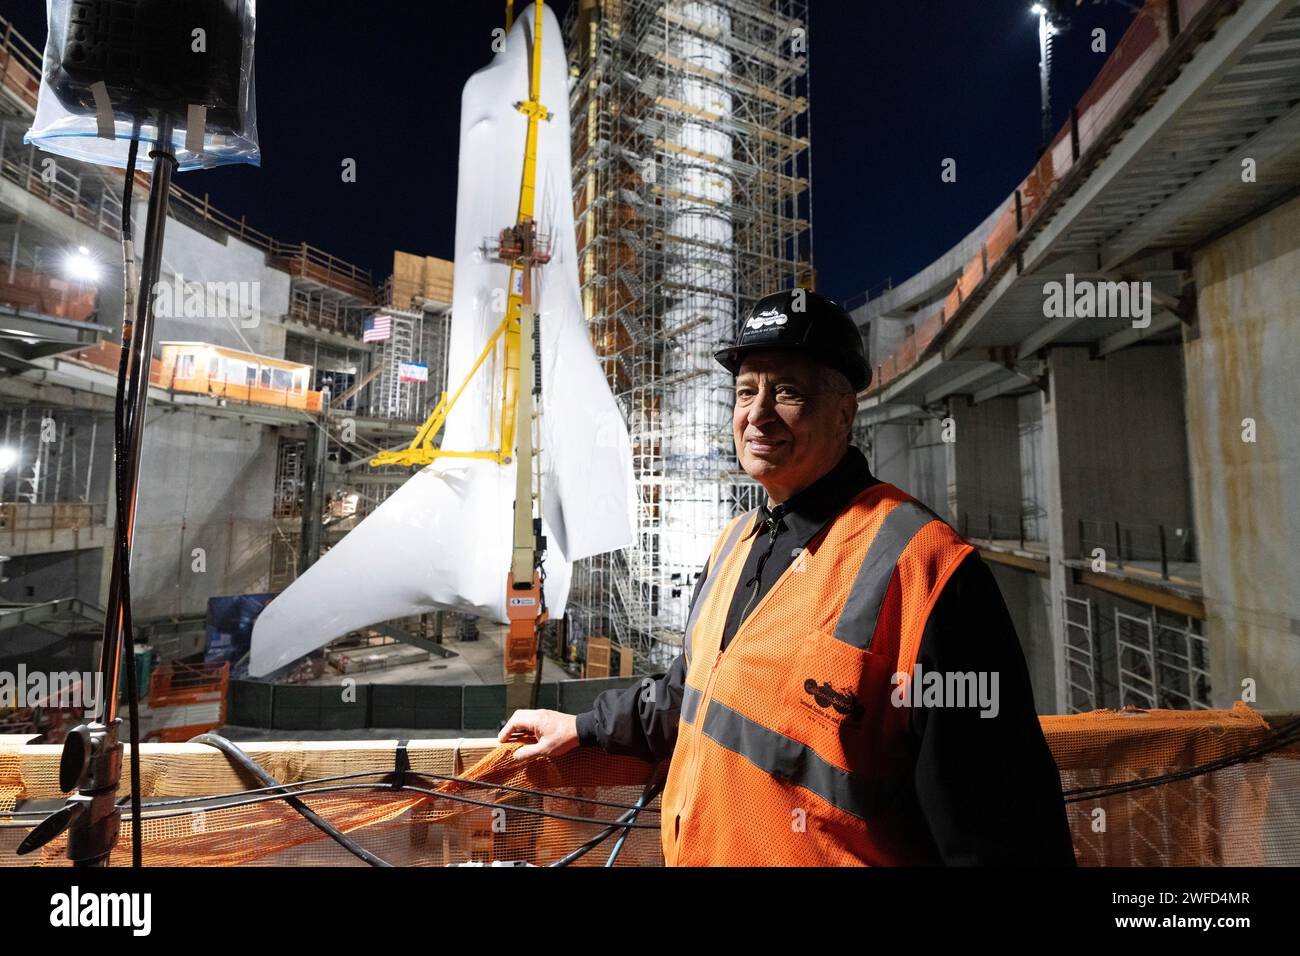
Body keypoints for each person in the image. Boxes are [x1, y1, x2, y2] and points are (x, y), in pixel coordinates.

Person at [499, 289, 1076, 866]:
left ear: (844, 413)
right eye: (746, 391)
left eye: (789, 393)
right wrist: (583, 726)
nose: (758, 414)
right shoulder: (735, 543)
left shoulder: (928, 570)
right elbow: (692, 694)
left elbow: (1003, 835)